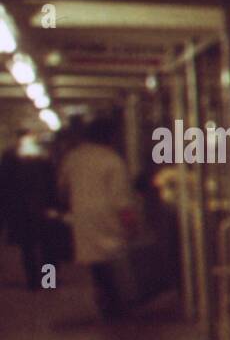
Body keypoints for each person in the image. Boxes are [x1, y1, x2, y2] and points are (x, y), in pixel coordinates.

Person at [59, 118, 138, 318]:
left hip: (82, 216)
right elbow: (122, 199)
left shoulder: (74, 157)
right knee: (113, 260)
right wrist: (131, 224)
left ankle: (104, 301)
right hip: (108, 216)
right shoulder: (112, 159)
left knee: (96, 263)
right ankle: (115, 305)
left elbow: (62, 187)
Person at [0, 129, 60, 290]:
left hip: (22, 210)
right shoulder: (44, 156)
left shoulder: (10, 157)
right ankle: (49, 281)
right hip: (43, 208)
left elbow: (4, 185)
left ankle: (33, 281)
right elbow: (52, 183)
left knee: (28, 248)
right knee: (47, 247)